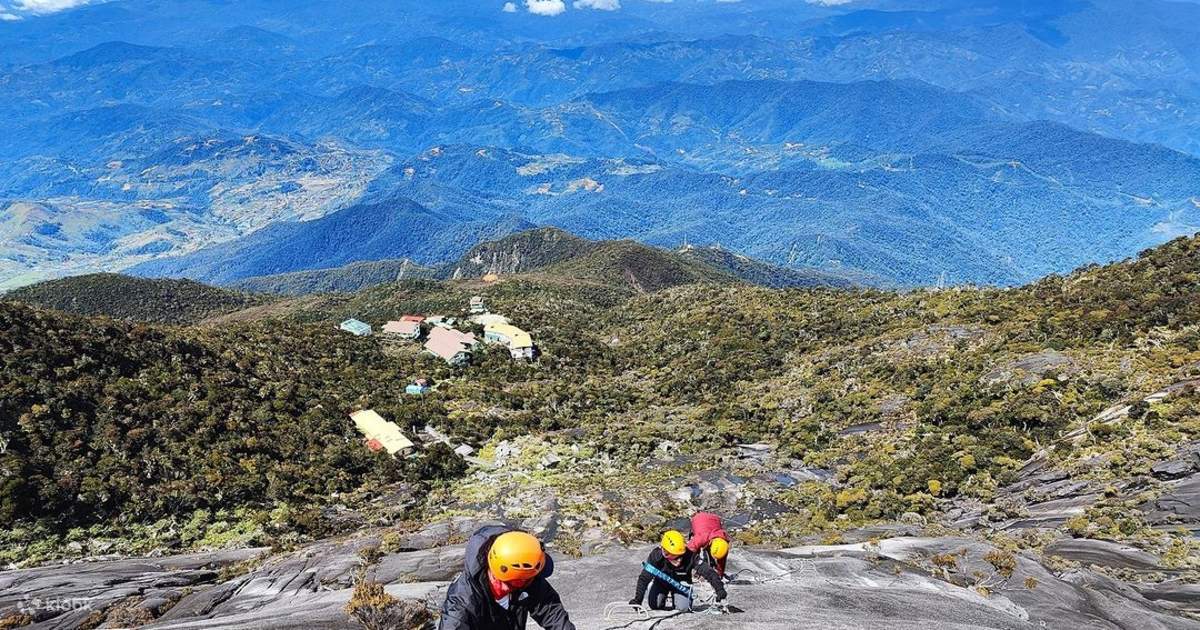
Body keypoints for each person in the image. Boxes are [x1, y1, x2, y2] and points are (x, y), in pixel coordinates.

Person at [439, 526, 576, 630]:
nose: (507, 588)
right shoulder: (463, 603)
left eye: (520, 582)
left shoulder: (525, 571)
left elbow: (550, 610)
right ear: (491, 568)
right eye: (506, 582)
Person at [629, 530, 727, 611]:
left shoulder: (690, 556)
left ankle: (678, 597)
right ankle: (655, 589)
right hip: (662, 583)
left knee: (683, 608)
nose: (678, 560)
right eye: (672, 555)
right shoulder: (656, 556)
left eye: (680, 556)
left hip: (682, 585)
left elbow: (708, 572)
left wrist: (720, 589)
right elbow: (644, 578)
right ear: (664, 551)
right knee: (655, 606)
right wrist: (638, 599)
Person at [686, 511, 731, 578]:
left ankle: (710, 563)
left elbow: (722, 562)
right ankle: (698, 570)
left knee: (707, 551)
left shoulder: (724, 544)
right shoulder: (700, 538)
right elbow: (688, 552)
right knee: (695, 552)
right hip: (698, 519)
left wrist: (720, 574)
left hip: (714, 519)